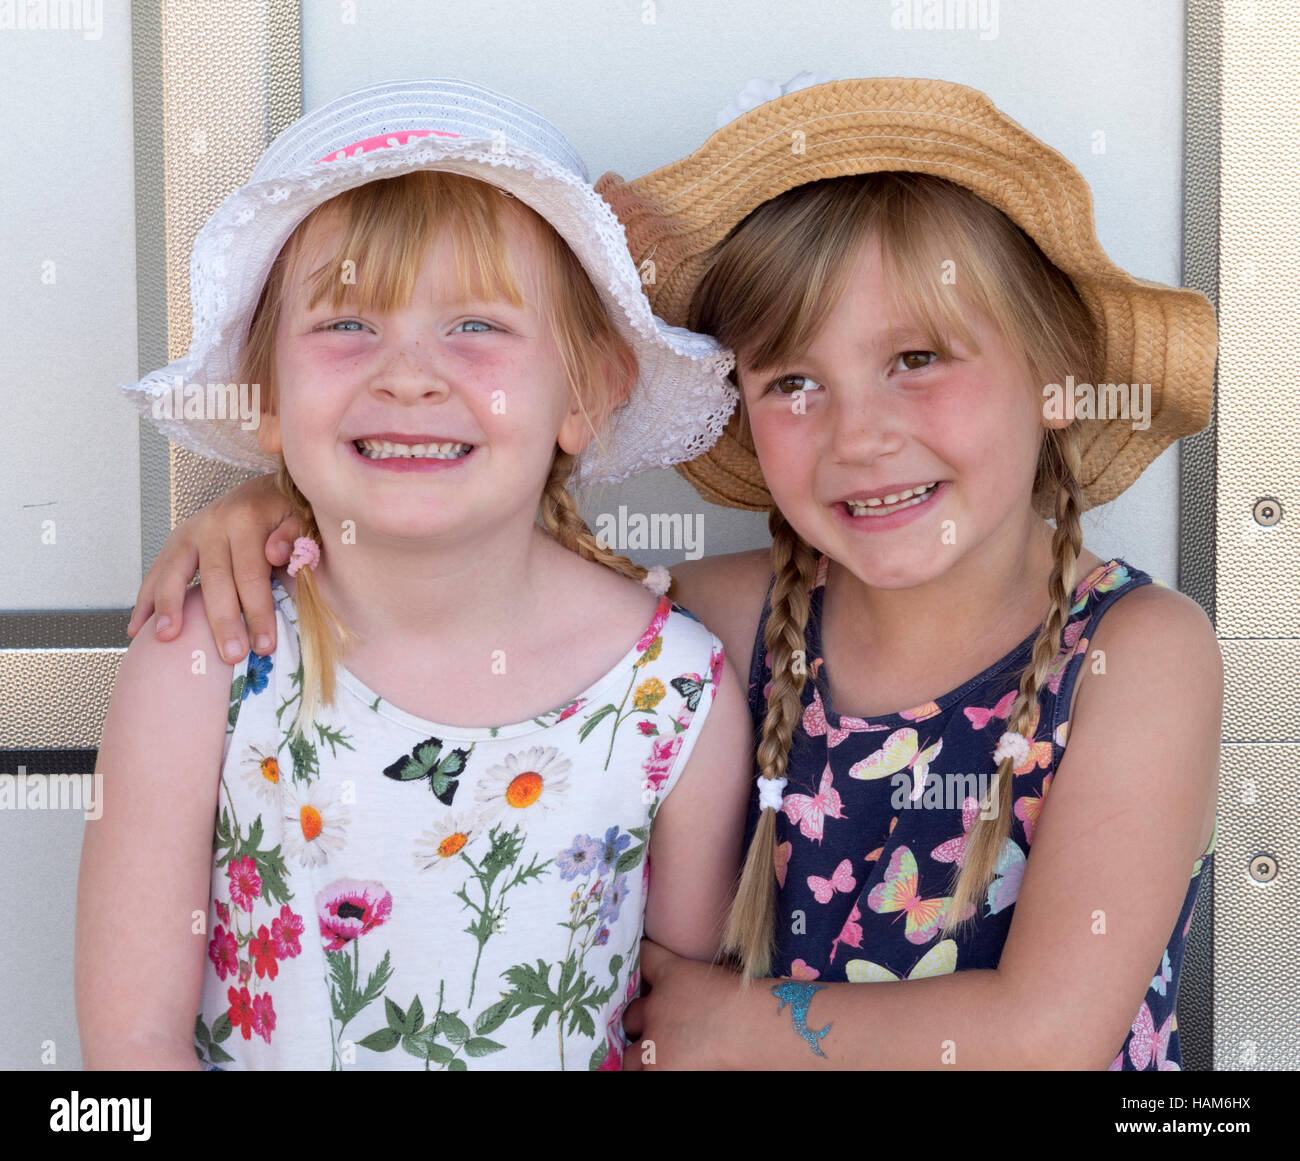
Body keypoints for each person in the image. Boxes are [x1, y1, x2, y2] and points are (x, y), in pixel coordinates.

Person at [126, 77, 1221, 1071]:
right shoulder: (720, 624)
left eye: (917, 360)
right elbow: (465, 573)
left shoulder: (1135, 653)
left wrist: (744, 1029)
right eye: (793, 380)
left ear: (1059, 380)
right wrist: (281, 501)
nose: (861, 434)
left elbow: (1049, 1037)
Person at [75, 79, 751, 1072]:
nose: (407, 374)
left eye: (476, 326)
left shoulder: (674, 693)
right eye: (346, 325)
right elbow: (129, 1050)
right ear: (266, 395)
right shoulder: (208, 664)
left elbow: (680, 1030)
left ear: (588, 390)